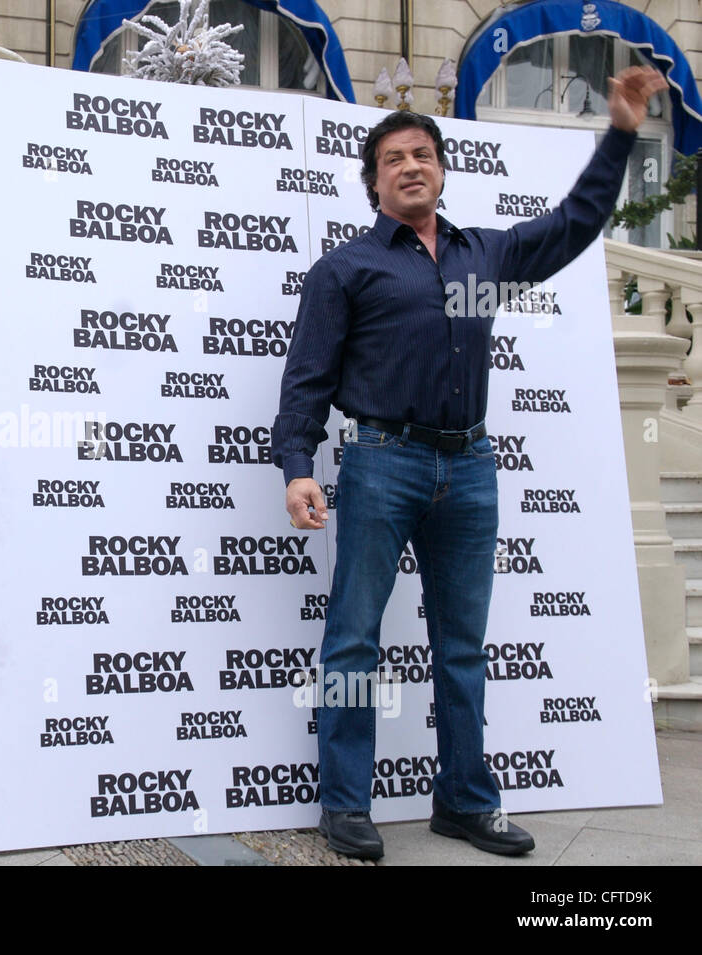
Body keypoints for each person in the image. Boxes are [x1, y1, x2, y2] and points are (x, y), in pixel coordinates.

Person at [271, 67, 667, 861]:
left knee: (461, 645)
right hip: (382, 463)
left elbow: (576, 221)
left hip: (472, 467)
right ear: (373, 182)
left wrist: (621, 129)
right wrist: (297, 465)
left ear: (443, 170)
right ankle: (347, 803)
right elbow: (306, 379)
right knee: (353, 641)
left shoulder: (484, 256)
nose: (411, 165)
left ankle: (463, 800)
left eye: (423, 153)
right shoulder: (345, 269)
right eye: (394, 159)